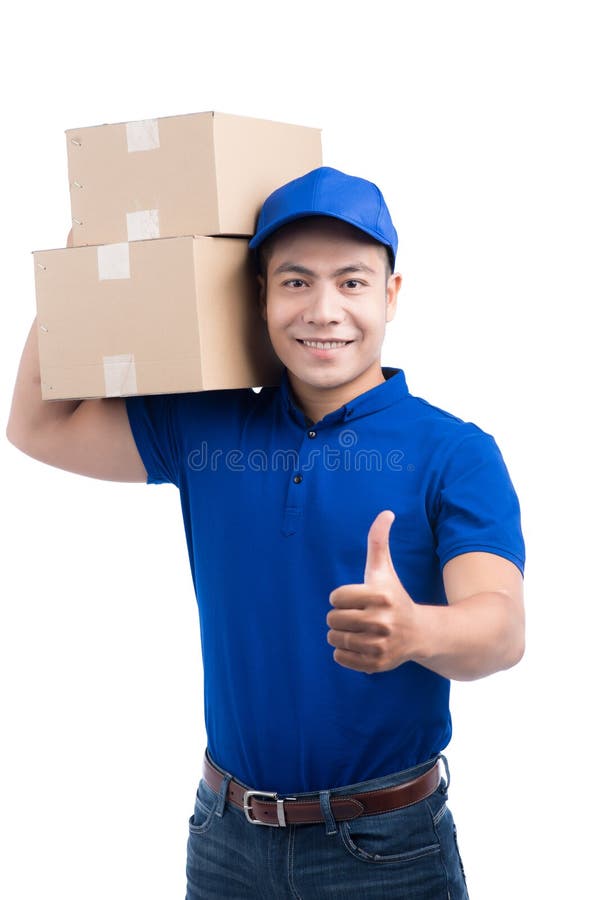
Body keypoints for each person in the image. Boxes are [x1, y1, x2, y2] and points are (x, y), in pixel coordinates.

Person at [6, 166, 525, 899]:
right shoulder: (207, 424)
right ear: (259, 297)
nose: (323, 310)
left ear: (391, 294)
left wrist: (415, 632)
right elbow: (38, 426)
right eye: (294, 282)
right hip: (225, 843)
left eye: (350, 282)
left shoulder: (453, 453)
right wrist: (75, 277)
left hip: (384, 855)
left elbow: (500, 629)